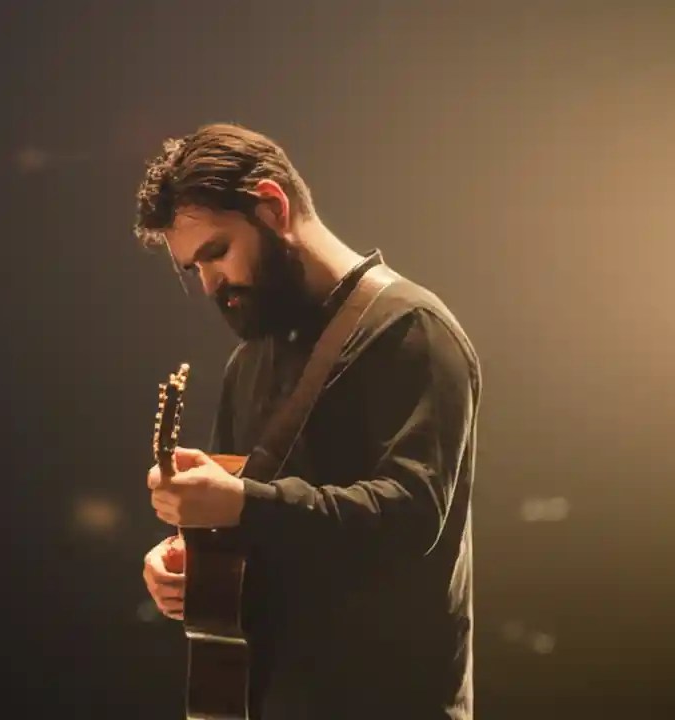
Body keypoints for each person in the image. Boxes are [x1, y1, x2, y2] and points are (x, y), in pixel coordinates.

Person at [135, 122, 482, 720]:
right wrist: (185, 557)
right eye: (194, 269)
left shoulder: (411, 331)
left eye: (216, 252)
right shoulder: (249, 360)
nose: (210, 283)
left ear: (273, 207)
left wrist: (241, 503)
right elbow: (241, 526)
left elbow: (410, 516)